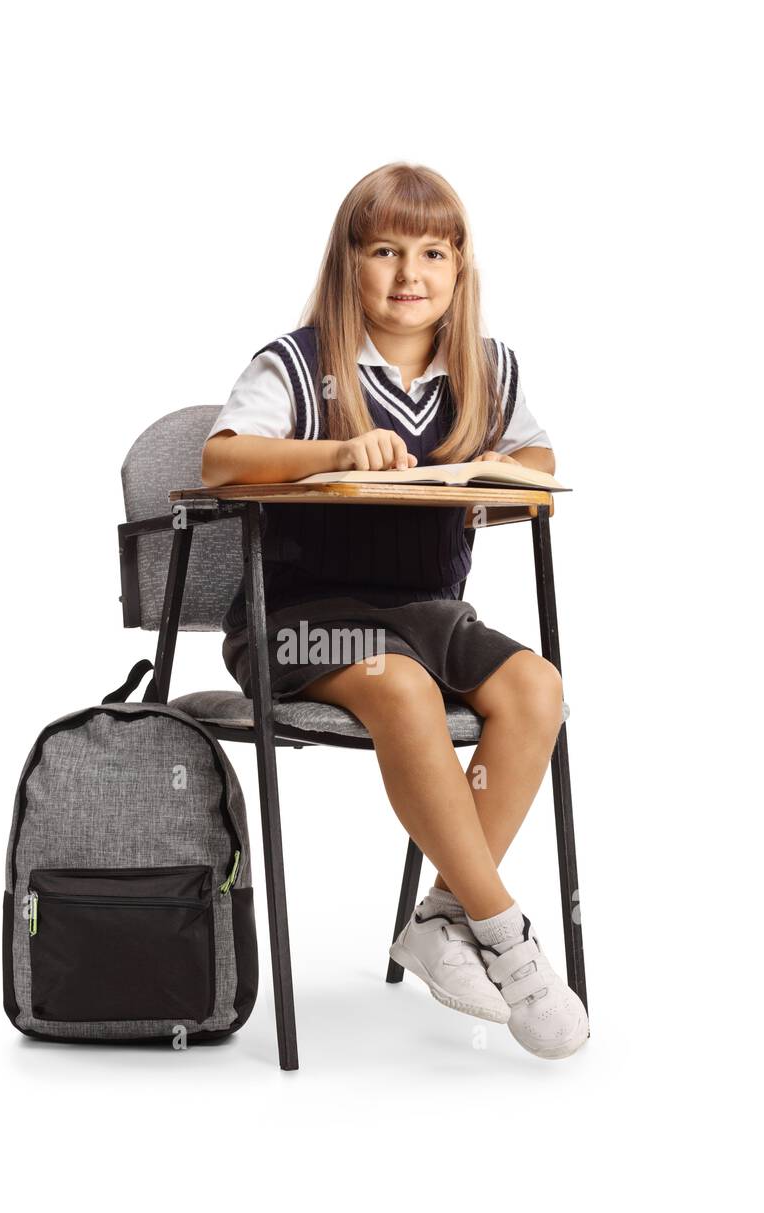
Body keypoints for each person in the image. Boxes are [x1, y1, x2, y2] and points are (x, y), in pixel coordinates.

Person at [202, 162, 588, 1061]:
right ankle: (505, 937)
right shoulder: (296, 362)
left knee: (536, 688)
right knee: (405, 689)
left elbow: (537, 457)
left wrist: (489, 475)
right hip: (299, 618)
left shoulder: (485, 368)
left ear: (459, 268)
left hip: (427, 611)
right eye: (384, 250)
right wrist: (335, 450)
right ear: (349, 263)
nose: (408, 272)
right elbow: (222, 461)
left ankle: (442, 914)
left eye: (431, 252)